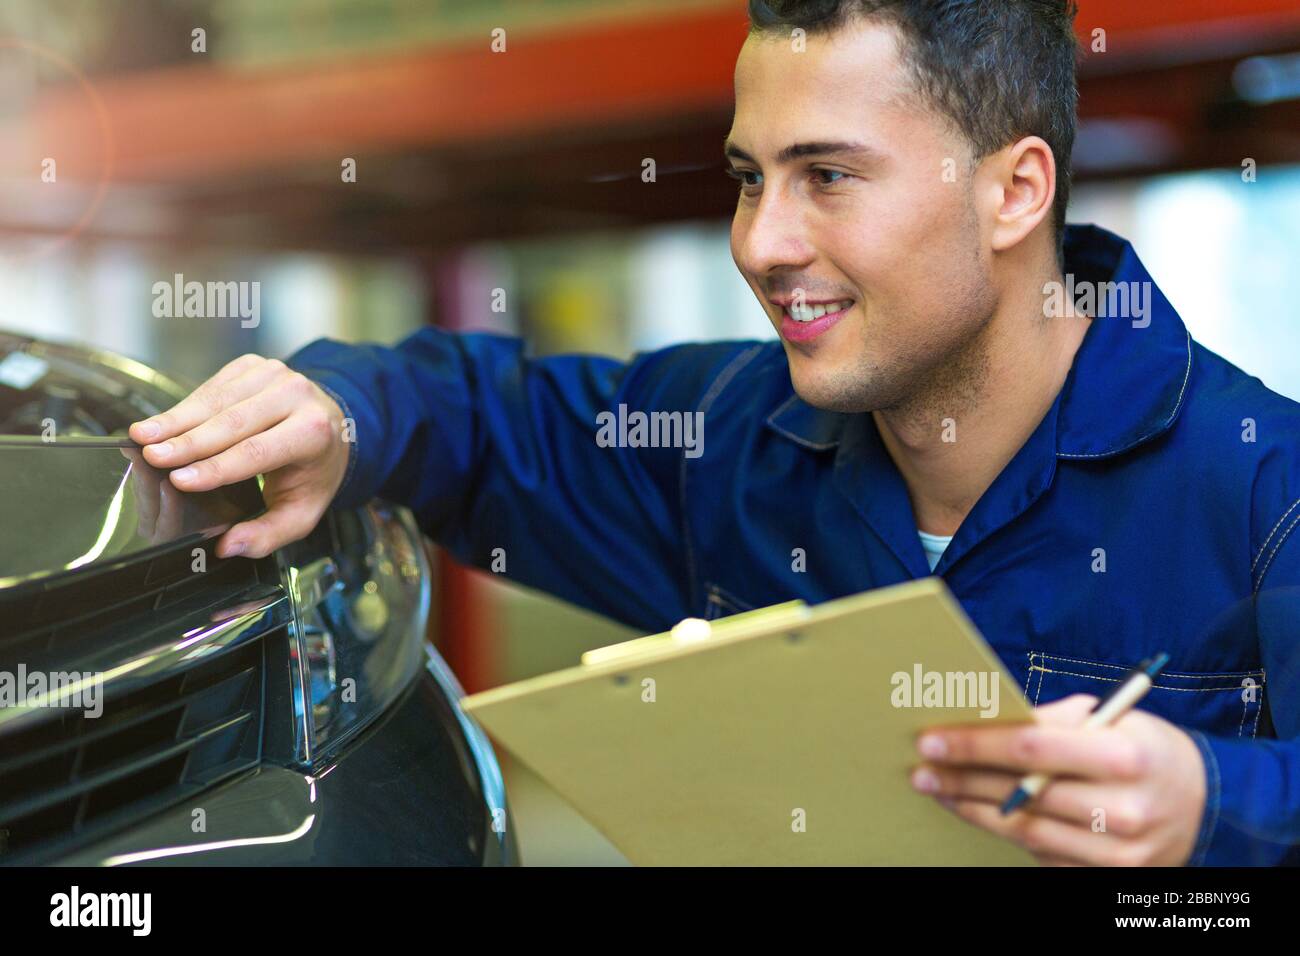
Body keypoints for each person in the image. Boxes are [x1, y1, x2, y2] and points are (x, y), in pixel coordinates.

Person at [128, 0, 1300, 866]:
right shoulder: (730, 442)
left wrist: (1213, 805)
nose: (759, 242)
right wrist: (338, 412)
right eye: (749, 178)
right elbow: (483, 419)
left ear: (1014, 190)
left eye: (827, 175)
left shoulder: (1264, 486)